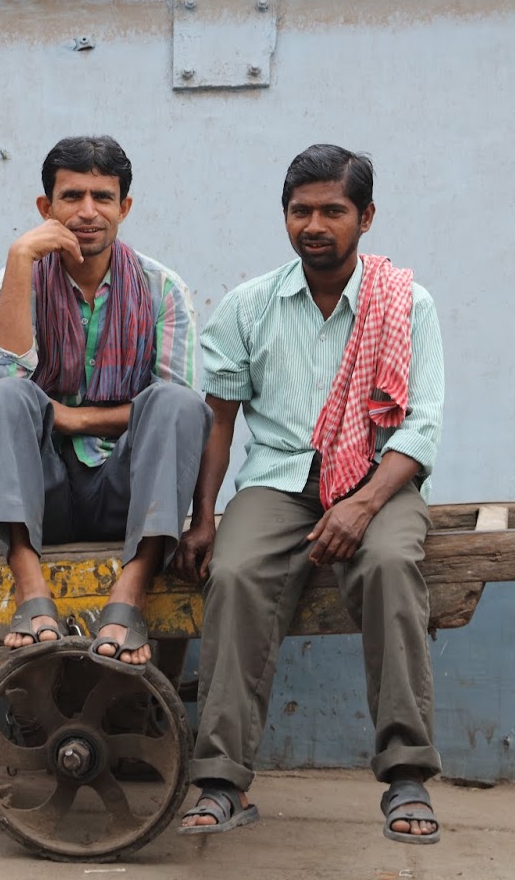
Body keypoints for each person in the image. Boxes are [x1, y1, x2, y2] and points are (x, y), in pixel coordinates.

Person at [172, 144, 445, 843]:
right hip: (280, 483)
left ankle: (406, 775)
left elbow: (422, 426)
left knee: (388, 566)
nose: (314, 224)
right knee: (232, 576)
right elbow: (219, 421)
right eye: (301, 211)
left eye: (333, 210)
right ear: (285, 217)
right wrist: (203, 517)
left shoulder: (406, 304)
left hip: (381, 482)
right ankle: (220, 779)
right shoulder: (249, 305)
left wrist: (360, 504)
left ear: (367, 216)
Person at [0, 135, 210, 666]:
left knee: (177, 405)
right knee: (0, 398)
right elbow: (4, 377)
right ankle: (31, 589)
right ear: (44, 208)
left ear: (124, 207)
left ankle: (131, 592)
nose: (86, 212)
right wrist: (18, 256)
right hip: (43, 490)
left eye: (102, 197)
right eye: (71, 197)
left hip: (126, 493)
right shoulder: (15, 280)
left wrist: (71, 417)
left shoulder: (161, 288)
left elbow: (174, 405)